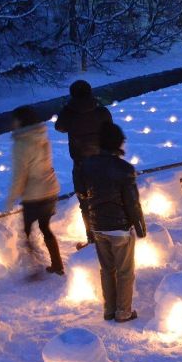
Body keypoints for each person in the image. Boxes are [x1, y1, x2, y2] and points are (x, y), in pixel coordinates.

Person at [78, 122, 146, 322]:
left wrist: (90, 226)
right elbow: (132, 203)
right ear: (118, 143)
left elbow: (83, 195)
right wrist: (140, 227)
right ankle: (123, 312)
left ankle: (109, 310)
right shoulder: (124, 169)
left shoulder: (87, 165)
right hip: (120, 228)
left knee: (107, 270)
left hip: (98, 225)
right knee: (125, 271)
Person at [5, 105, 63, 275]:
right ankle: (57, 264)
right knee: (45, 228)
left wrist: (11, 199)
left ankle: (33, 268)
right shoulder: (42, 136)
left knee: (27, 232)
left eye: (14, 119)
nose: (12, 123)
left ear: (20, 121)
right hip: (50, 189)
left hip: (33, 195)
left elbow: (19, 175)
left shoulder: (21, 144)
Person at [55, 80, 113, 244]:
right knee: (107, 197)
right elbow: (110, 128)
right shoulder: (102, 112)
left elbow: (59, 127)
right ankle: (111, 235)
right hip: (103, 163)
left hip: (82, 166)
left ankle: (93, 239)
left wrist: (68, 107)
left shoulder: (69, 114)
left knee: (86, 204)